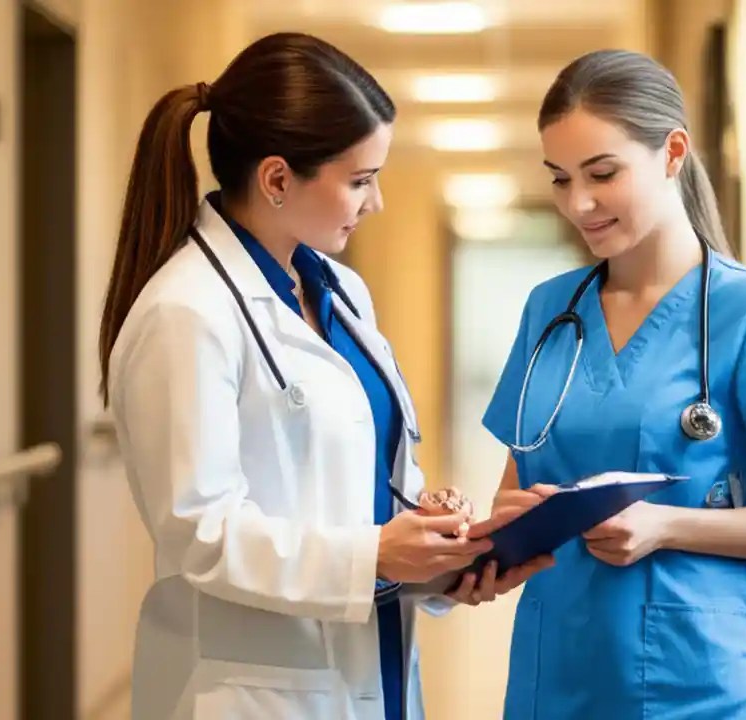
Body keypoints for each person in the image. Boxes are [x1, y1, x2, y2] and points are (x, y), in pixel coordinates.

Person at [99, 32, 517, 720]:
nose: (373, 202)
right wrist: (376, 555)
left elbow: (359, 487)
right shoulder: (186, 311)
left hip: (367, 662)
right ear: (276, 178)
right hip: (253, 691)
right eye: (359, 180)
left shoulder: (342, 294)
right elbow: (199, 532)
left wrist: (439, 551)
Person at [465, 49, 746, 718]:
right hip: (555, 671)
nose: (578, 203)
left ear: (673, 152)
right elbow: (515, 490)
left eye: (602, 173)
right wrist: (481, 539)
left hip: (697, 683)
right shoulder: (548, 310)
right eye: (560, 179)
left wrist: (665, 526)